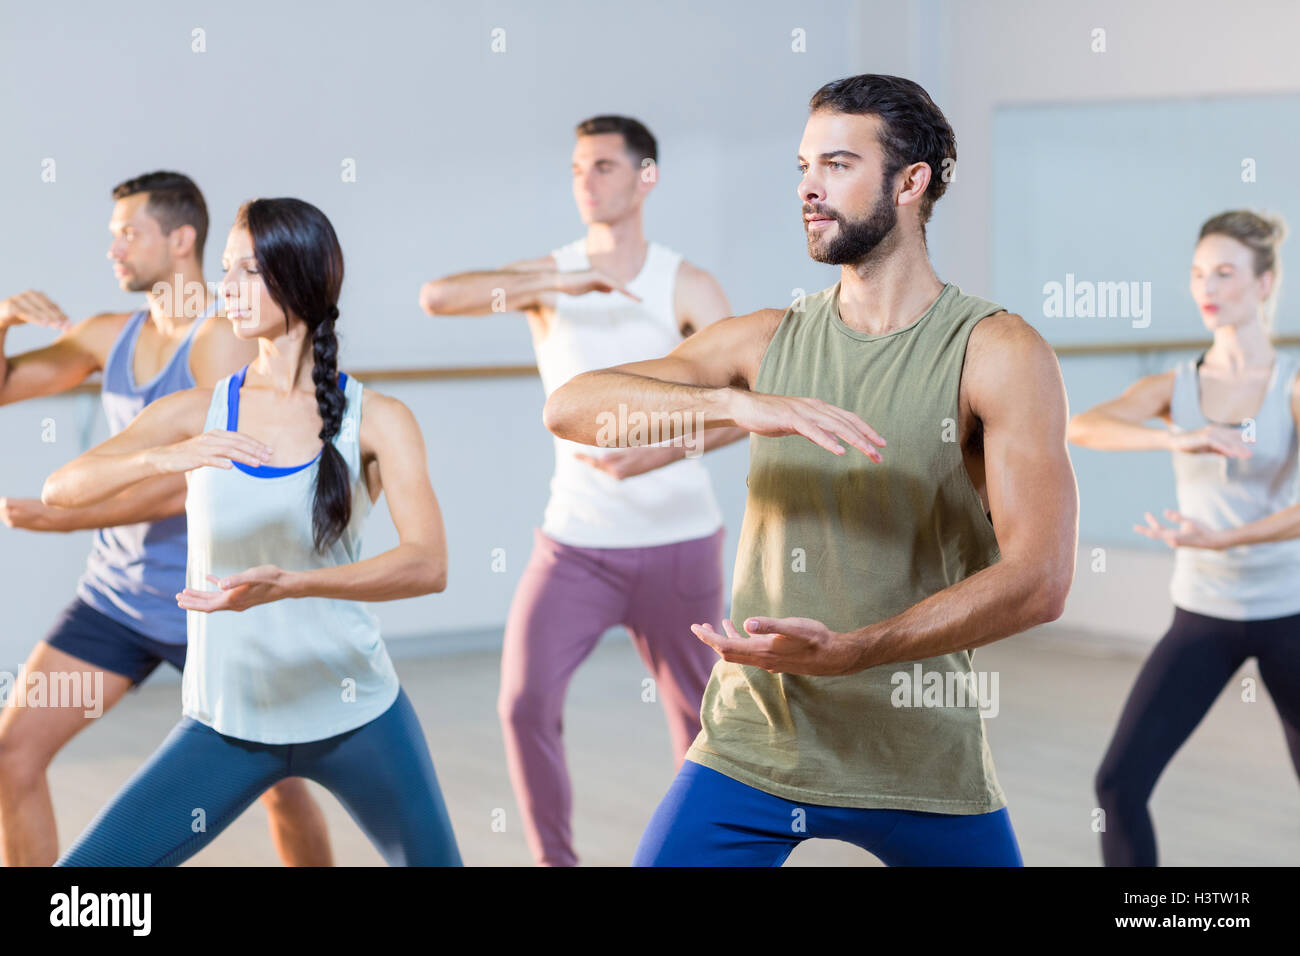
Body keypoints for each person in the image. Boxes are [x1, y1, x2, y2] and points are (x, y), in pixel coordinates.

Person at [544, 74, 1079, 866]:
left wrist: (856, 651)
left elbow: (1041, 581)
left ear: (910, 182)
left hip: (920, 759)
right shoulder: (763, 343)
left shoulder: (997, 353)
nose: (808, 189)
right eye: (802, 167)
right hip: (755, 744)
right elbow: (573, 407)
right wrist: (738, 407)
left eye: (835, 165)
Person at [43, 197, 461, 866]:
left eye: (249, 271)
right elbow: (59, 489)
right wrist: (161, 457)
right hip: (226, 725)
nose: (225, 289)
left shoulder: (379, 420)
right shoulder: (198, 411)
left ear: (302, 277)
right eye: (225, 270)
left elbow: (427, 563)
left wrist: (296, 584)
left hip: (355, 713)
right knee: (82, 891)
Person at [419, 115, 748, 866]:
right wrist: (554, 280)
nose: (586, 182)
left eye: (603, 166)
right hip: (575, 544)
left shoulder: (686, 284)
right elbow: (439, 297)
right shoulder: (550, 281)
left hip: (679, 544)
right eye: (576, 169)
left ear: (646, 177)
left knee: (705, 729)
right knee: (522, 703)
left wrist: (662, 454)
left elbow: (755, 403)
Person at [0, 172, 330, 866]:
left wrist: (67, 518)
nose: (114, 249)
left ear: (182, 240)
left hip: (213, 606)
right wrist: (2, 321)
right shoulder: (108, 334)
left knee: (280, 787)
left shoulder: (223, 341)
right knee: (11, 753)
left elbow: (202, 479)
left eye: (129, 233)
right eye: (111, 235)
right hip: (117, 600)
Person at [1069, 209, 1300, 866]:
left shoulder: (1290, 385)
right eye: (1200, 273)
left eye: (1226, 272)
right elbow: (1084, 425)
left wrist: (1232, 539)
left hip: (1288, 614)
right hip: (1204, 615)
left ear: (1264, 284)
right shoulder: (1177, 386)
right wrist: (1176, 433)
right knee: (1117, 785)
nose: (1209, 286)